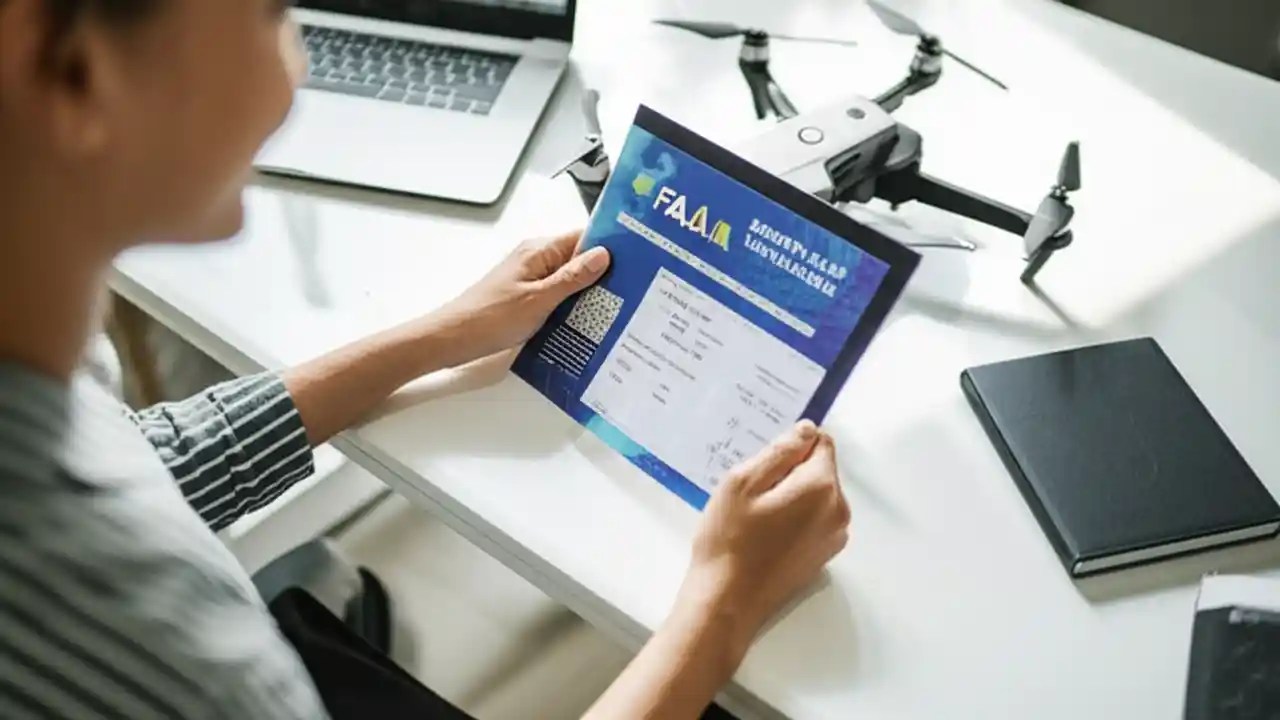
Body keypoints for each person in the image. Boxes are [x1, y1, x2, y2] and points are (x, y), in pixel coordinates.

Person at [0, 0, 852, 718]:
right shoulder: (164, 649)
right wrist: (724, 604)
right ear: (71, 70)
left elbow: (139, 456)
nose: (297, 68)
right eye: (270, 12)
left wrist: (438, 334)